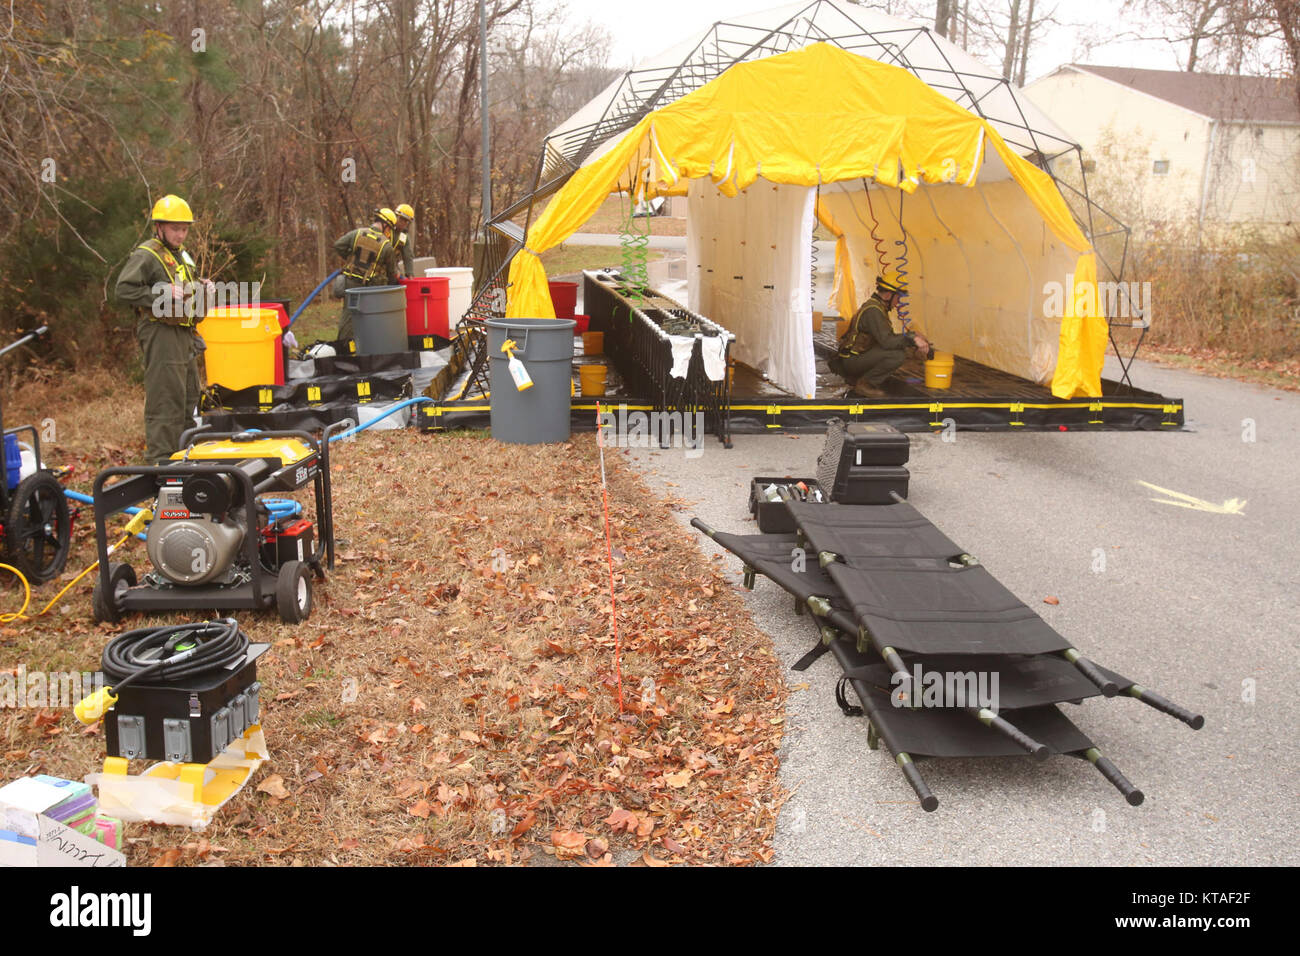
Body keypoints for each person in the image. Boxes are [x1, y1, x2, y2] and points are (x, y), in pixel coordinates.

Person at [114, 194, 214, 464]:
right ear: (159, 227)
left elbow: (185, 291)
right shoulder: (146, 254)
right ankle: (160, 463)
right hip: (161, 333)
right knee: (165, 399)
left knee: (189, 397)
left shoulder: (181, 256)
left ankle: (183, 457)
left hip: (185, 335)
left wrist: (203, 288)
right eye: (175, 229)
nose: (181, 234)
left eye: (184, 229)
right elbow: (123, 290)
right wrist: (161, 292)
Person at [828, 273, 931, 398]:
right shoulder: (874, 311)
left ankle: (860, 379)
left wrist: (914, 338)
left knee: (898, 349)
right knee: (897, 355)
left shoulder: (877, 307)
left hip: (856, 356)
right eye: (898, 297)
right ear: (888, 295)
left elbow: (889, 338)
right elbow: (888, 342)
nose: (898, 302)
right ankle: (865, 384)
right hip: (851, 361)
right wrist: (912, 338)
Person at [333, 208, 399, 340]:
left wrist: (351, 258)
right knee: (371, 318)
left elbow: (338, 245)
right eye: (390, 228)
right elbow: (392, 273)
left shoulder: (357, 233)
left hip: (351, 282)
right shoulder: (386, 245)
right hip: (371, 288)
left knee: (348, 317)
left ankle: (345, 346)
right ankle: (368, 345)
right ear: (385, 225)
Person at [392, 202, 416, 278]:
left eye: (406, 221)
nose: (403, 223)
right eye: (401, 219)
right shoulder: (387, 230)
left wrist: (410, 274)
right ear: (396, 217)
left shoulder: (403, 236)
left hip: (393, 268)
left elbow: (408, 256)